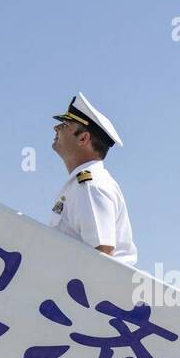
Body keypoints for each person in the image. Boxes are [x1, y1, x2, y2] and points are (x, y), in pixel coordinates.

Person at [49, 93, 136, 266]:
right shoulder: (81, 184)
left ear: (83, 138)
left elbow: (101, 255)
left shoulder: (90, 186)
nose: (56, 128)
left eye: (65, 124)